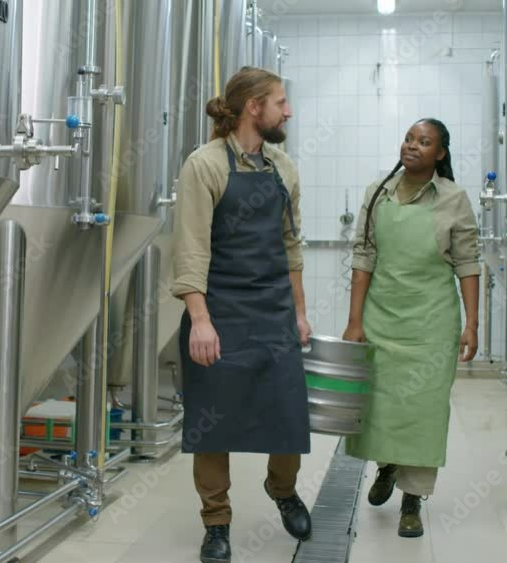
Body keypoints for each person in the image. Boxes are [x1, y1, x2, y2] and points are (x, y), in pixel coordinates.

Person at [172, 66, 313, 563]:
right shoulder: (204, 165)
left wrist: (299, 313)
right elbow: (191, 248)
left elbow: (291, 247)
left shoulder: (283, 167)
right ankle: (216, 522)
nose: (287, 111)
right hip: (220, 312)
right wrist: (200, 320)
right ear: (254, 107)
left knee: (289, 412)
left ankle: (282, 488)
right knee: (212, 424)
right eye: (280, 101)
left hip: (274, 312)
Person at [342, 118, 480, 538]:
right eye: (408, 138)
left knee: (424, 410)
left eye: (424, 141)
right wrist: (354, 322)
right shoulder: (378, 193)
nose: (412, 146)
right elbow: (363, 256)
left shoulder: (453, 199)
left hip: (432, 323)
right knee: (381, 405)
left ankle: (412, 501)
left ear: (440, 153)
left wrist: (472, 324)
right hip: (381, 318)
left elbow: (468, 263)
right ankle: (387, 465)